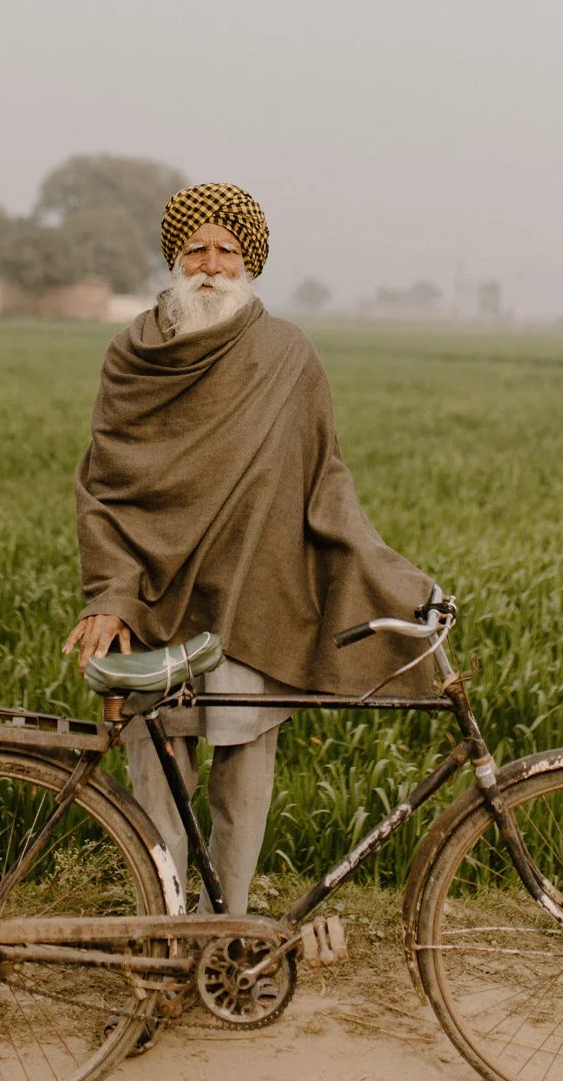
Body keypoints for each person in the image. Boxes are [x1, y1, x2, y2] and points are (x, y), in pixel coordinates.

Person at [63, 182, 438, 915]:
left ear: (250, 263)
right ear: (174, 259)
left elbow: (325, 482)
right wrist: (109, 596)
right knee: (158, 776)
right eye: (194, 249)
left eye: (226, 251)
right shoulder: (133, 355)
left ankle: (226, 930)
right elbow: (104, 485)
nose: (210, 264)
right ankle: (162, 931)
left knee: (243, 776)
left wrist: (392, 580)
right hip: (153, 602)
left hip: (257, 597)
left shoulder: (287, 354)